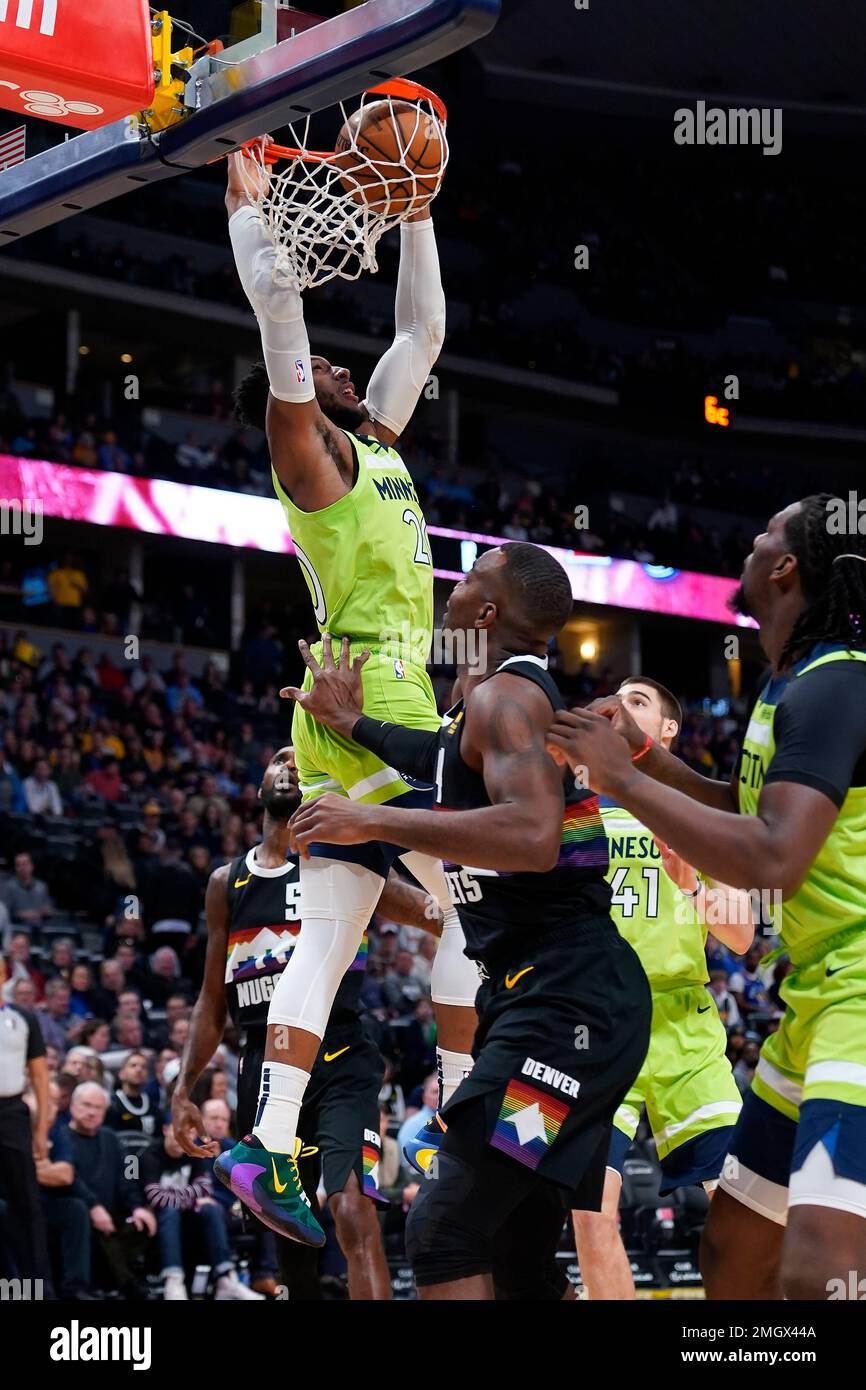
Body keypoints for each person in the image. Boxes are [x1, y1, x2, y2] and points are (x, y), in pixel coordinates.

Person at [285, 543, 652, 1300]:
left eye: (469, 578)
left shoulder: (506, 701)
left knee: (446, 1227)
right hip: (550, 997)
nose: (450, 587)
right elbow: (443, 754)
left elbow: (531, 836)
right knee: (517, 1245)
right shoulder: (488, 704)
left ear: (485, 613)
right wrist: (355, 725)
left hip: (565, 1005)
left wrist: (370, 818)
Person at [224, 146, 480, 1202]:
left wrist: (416, 204)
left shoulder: (370, 439)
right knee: (485, 888)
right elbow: (281, 319)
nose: (337, 366)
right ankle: (460, 1115)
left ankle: (264, 1142)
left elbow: (422, 333)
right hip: (371, 702)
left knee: (326, 936)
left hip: (341, 720)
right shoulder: (306, 454)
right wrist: (249, 215)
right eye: (322, 375)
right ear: (293, 406)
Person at [545, 495, 866, 1300]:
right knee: (731, 1257)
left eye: (763, 535)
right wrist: (645, 760)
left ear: (786, 567)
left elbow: (771, 860)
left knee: (818, 1272)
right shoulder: (788, 683)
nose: (750, 547)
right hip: (813, 999)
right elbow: (744, 810)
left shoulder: (834, 687)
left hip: (859, 993)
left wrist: (620, 779)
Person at [175, 746, 440, 1297]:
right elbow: (210, 999)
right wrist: (184, 1089)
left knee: (352, 1209)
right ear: (257, 788)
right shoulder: (227, 882)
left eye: (300, 759)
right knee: (291, 1244)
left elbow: (425, 911)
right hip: (262, 1064)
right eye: (277, 758)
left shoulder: (343, 861)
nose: (289, 765)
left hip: (341, 1056)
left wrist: (470, 916)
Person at [570, 676, 752, 1300]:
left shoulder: (696, 808)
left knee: (738, 1208)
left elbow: (742, 935)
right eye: (616, 697)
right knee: (590, 1212)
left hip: (683, 1024)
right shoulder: (579, 801)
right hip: (598, 1022)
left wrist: (694, 886)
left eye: (639, 700)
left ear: (668, 731)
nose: (621, 705)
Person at [140, 1120, 262, 1301]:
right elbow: (155, 1197)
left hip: (187, 1216)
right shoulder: (151, 1153)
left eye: (189, 1133)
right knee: (170, 1212)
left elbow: (205, 1188)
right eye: (178, 1130)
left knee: (212, 1209)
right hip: (157, 1217)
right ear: (166, 1129)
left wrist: (178, 1197)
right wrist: (191, 1199)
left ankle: (225, 1280)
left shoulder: (193, 1151)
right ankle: (173, 1282)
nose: (183, 1137)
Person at [67, 1082, 156, 1298]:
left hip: (112, 1213)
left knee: (143, 1222)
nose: (92, 1112)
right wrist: (93, 1207)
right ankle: (127, 1284)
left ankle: (119, 1281)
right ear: (72, 1106)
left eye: (98, 1108)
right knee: (91, 1226)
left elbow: (128, 1176)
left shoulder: (112, 1139)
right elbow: (70, 1181)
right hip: (79, 1212)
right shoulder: (62, 1138)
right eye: (86, 1105)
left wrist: (137, 1207)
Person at [0, 951, 52, 1291]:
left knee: (26, 1204)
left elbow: (40, 1077)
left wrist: (42, 1128)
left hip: (11, 1113)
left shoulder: (23, 1018)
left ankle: (37, 1288)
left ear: (5, 976)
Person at [106, 1051, 159, 1138]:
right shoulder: (111, 1105)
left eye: (143, 1067)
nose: (139, 1069)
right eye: (133, 1065)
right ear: (121, 1074)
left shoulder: (153, 1107)